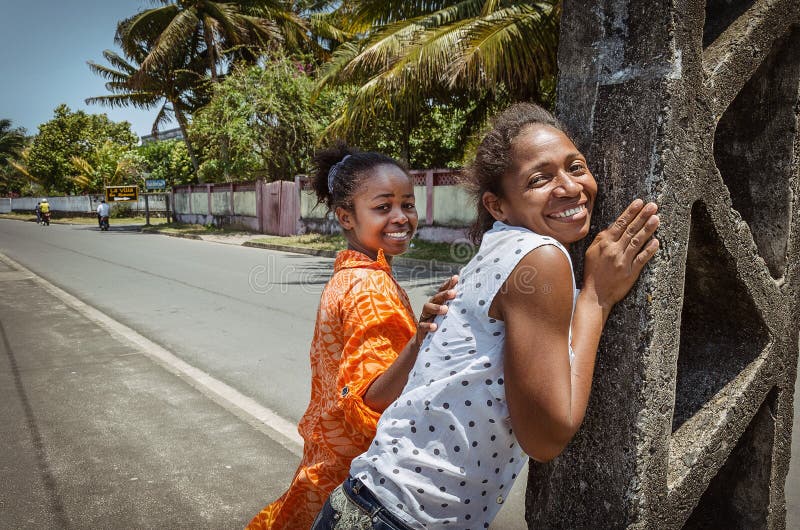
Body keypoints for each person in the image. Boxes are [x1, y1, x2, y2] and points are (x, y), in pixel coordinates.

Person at [311, 103, 661, 529]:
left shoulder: (498, 248)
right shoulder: (540, 257)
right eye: (540, 178)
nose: (570, 187)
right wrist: (596, 298)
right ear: (498, 206)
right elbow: (546, 436)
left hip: (369, 502)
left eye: (576, 166)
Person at [247, 143, 458, 530]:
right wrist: (421, 336)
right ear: (346, 217)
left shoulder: (351, 274)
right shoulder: (369, 287)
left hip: (327, 464)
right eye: (383, 207)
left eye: (407, 204)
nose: (401, 217)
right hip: (355, 480)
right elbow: (371, 399)